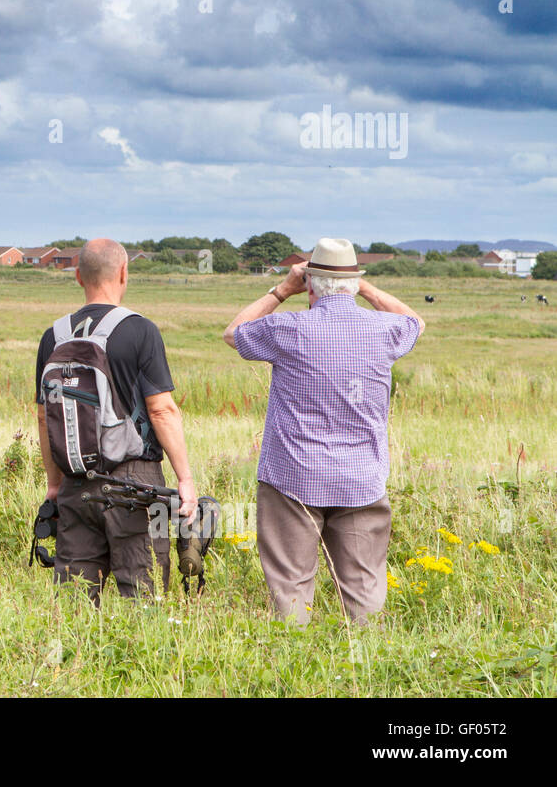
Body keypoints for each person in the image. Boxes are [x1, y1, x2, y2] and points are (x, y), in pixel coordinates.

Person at [224, 237, 424, 626]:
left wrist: (283, 290)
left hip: (293, 476)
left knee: (291, 586)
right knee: (364, 588)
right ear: (354, 283)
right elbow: (417, 323)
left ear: (310, 285)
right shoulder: (383, 330)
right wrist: (363, 288)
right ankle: (367, 654)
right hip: (361, 479)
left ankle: (294, 651)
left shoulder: (287, 328)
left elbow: (233, 333)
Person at [35, 238, 197, 602]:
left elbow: (45, 417)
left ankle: (72, 642)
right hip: (136, 482)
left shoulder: (53, 336)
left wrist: (54, 485)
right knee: (143, 592)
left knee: (74, 597)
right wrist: (185, 480)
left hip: (75, 480)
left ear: (78, 276)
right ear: (124, 273)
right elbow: (162, 410)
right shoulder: (140, 330)